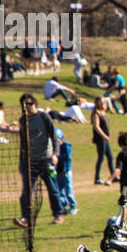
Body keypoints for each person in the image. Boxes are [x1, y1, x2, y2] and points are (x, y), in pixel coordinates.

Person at [13, 93, 64, 228]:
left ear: (35, 104)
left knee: (52, 189)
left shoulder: (43, 117)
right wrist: (21, 161)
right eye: (24, 104)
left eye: (29, 104)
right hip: (29, 161)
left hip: (46, 160)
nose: (26, 107)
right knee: (26, 192)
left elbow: (53, 136)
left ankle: (58, 214)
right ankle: (25, 218)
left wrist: (55, 154)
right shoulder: (23, 120)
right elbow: (23, 143)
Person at [53, 127, 77, 217]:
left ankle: (72, 206)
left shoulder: (66, 146)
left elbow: (67, 157)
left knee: (68, 189)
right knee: (59, 191)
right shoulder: (54, 149)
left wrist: (56, 156)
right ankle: (63, 206)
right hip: (58, 172)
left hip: (66, 172)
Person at [92, 96, 114, 185]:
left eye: (104, 101)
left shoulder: (103, 113)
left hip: (105, 138)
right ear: (97, 103)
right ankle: (97, 178)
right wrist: (104, 136)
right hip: (100, 138)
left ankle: (113, 176)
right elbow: (96, 127)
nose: (103, 103)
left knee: (110, 157)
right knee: (101, 157)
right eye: (102, 101)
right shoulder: (96, 114)